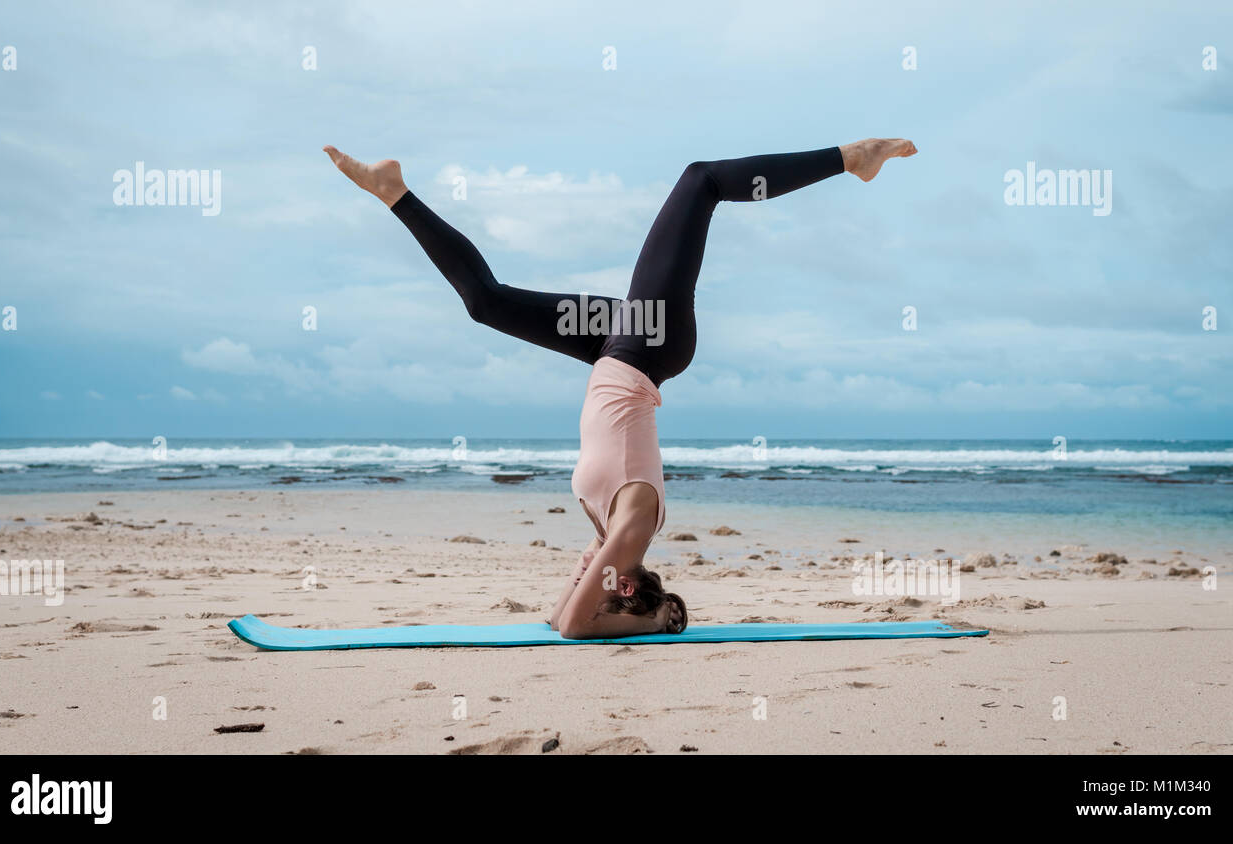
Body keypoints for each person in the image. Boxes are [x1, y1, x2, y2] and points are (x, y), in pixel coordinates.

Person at [325, 136, 916, 639]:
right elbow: (579, 626)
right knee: (701, 181)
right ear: (624, 585)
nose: (586, 573)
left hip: (616, 342)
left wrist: (604, 588)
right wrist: (653, 620)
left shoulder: (608, 528)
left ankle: (393, 191)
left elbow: (560, 619)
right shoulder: (634, 526)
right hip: (646, 343)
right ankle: (851, 157)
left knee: (486, 303)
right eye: (600, 580)